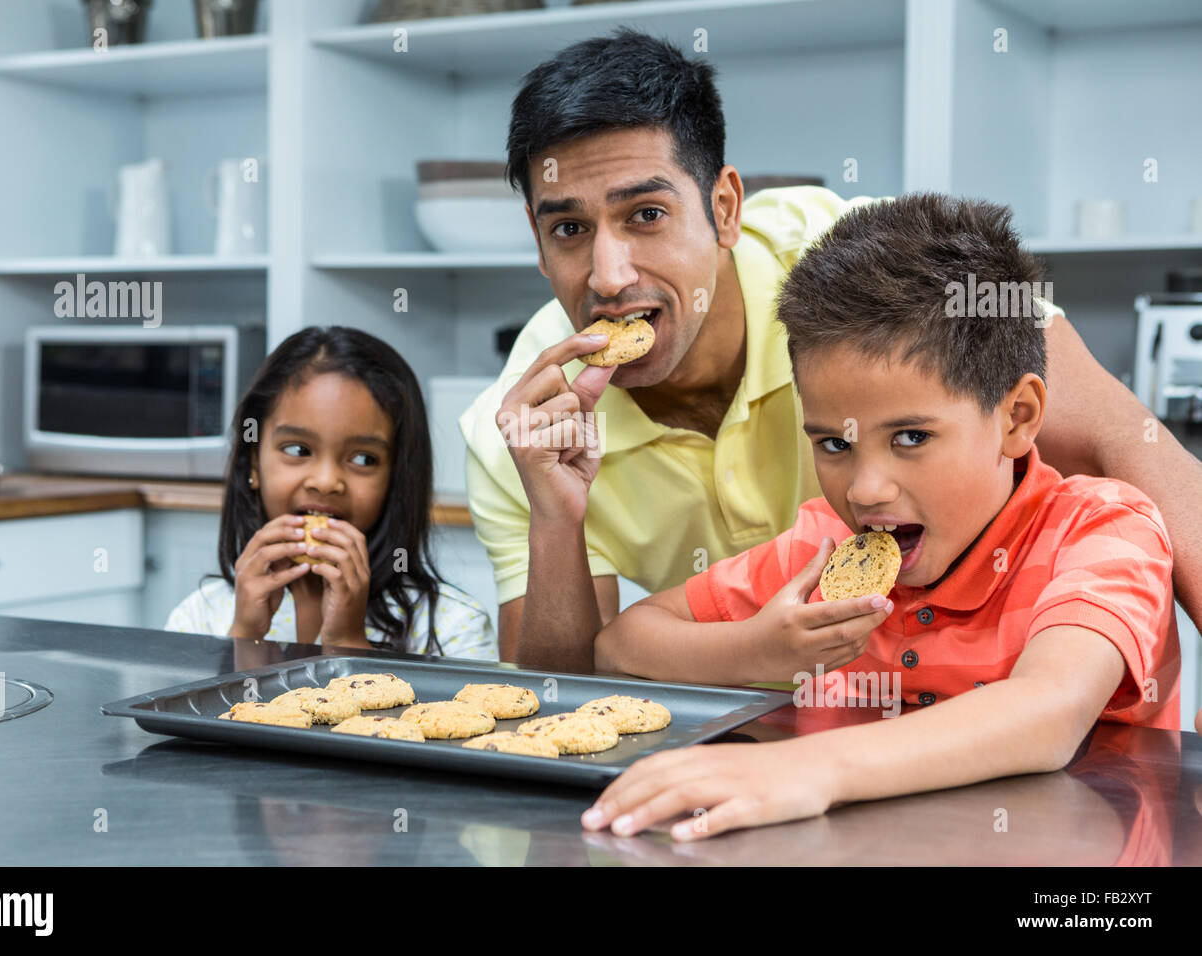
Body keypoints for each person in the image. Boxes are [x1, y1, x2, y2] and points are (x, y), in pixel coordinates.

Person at [457, 29, 1202, 732]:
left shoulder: (869, 273)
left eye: (646, 214)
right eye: (569, 230)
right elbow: (566, 698)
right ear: (537, 238)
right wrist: (557, 518)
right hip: (785, 739)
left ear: (723, 207)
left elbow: (1130, 451)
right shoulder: (522, 428)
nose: (610, 277)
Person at [581, 194, 1181, 841]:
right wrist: (759, 648)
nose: (865, 491)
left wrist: (810, 768)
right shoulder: (824, 548)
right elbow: (621, 645)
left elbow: (1049, 708)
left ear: (1017, 418)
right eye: (834, 445)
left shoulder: (1103, 531)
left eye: (911, 438)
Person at [166, 326, 497, 660]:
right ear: (253, 463)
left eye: (363, 459)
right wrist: (246, 638)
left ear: (396, 479)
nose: (325, 482)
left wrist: (347, 641)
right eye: (297, 450)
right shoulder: (200, 618)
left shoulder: (454, 629)